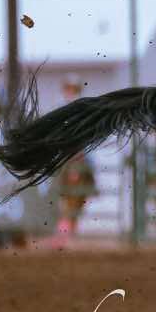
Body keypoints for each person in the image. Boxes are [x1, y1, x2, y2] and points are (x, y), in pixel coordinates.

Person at [49, 75, 97, 249]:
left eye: (72, 89)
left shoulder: (77, 110)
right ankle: (65, 237)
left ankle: (65, 236)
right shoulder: (77, 109)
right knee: (70, 202)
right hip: (72, 159)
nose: (70, 92)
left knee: (73, 201)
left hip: (75, 159)